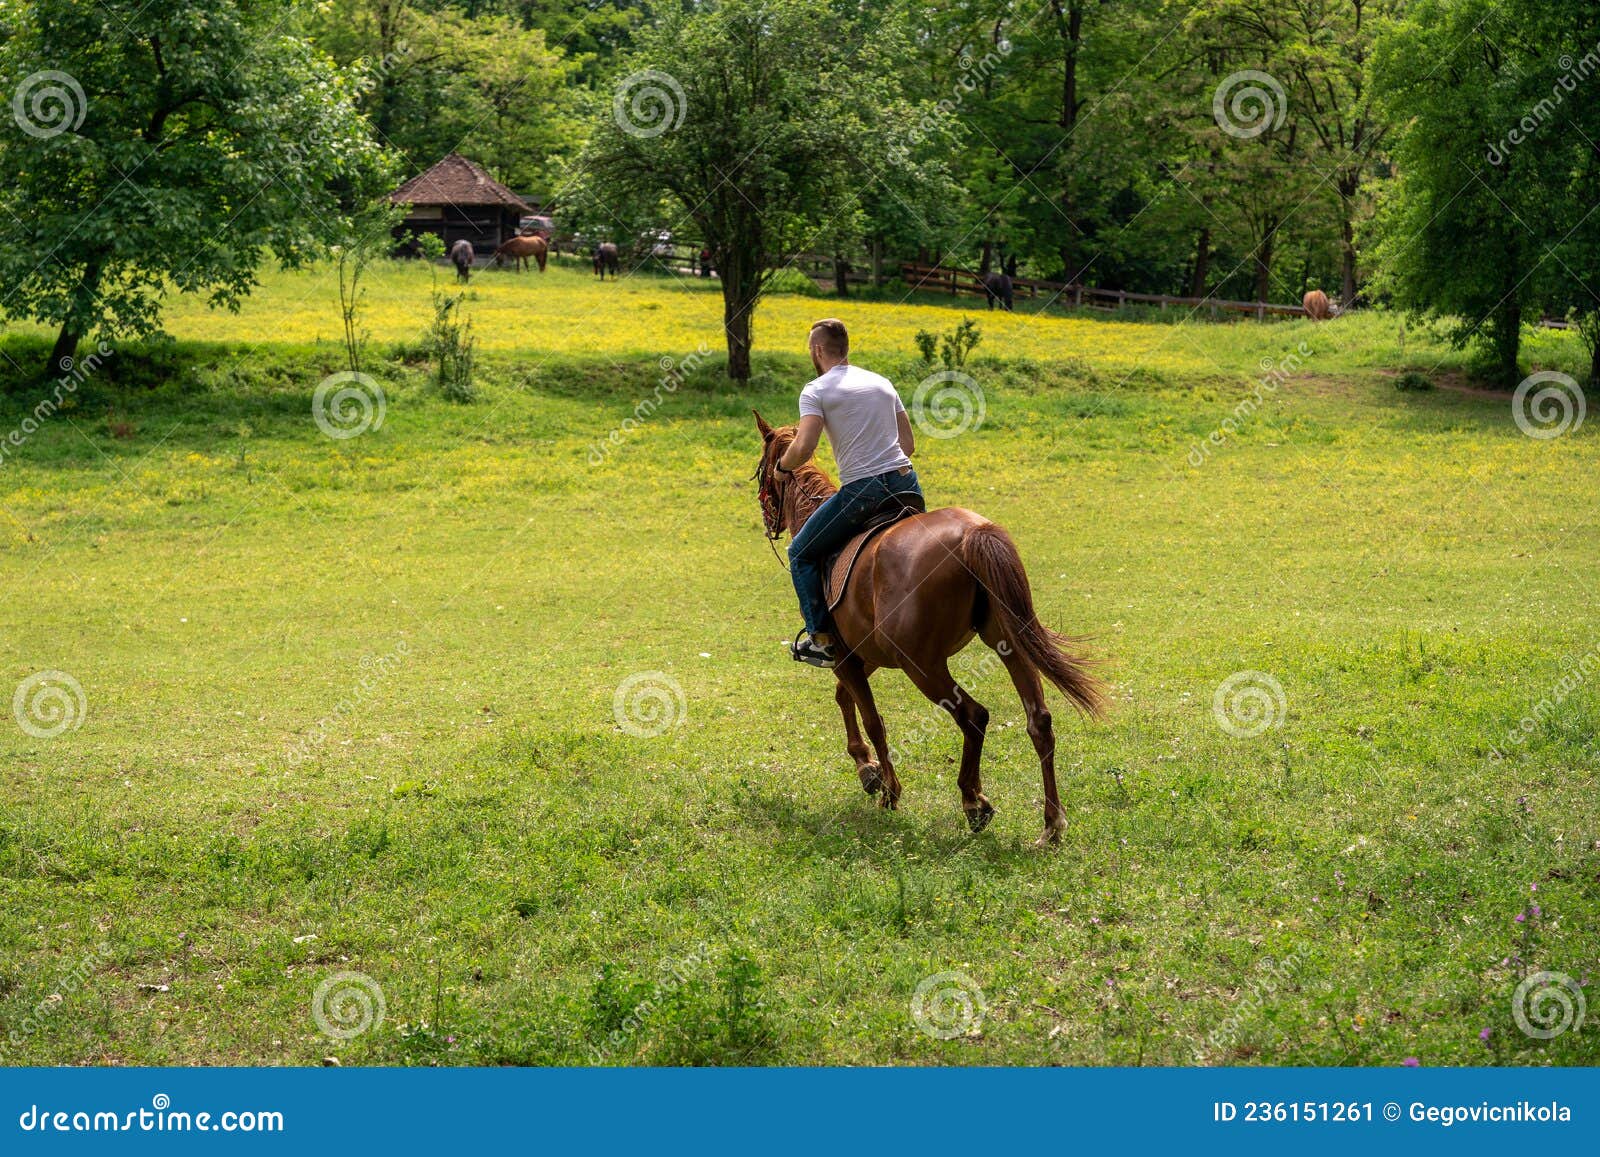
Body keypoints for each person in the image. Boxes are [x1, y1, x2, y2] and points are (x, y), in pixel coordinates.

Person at [778, 319, 921, 668]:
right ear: (846, 348)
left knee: (801, 553)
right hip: (907, 486)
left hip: (863, 492)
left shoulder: (816, 390)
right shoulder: (882, 382)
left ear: (816, 350)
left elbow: (805, 448)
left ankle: (821, 639)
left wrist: (783, 465)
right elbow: (908, 445)